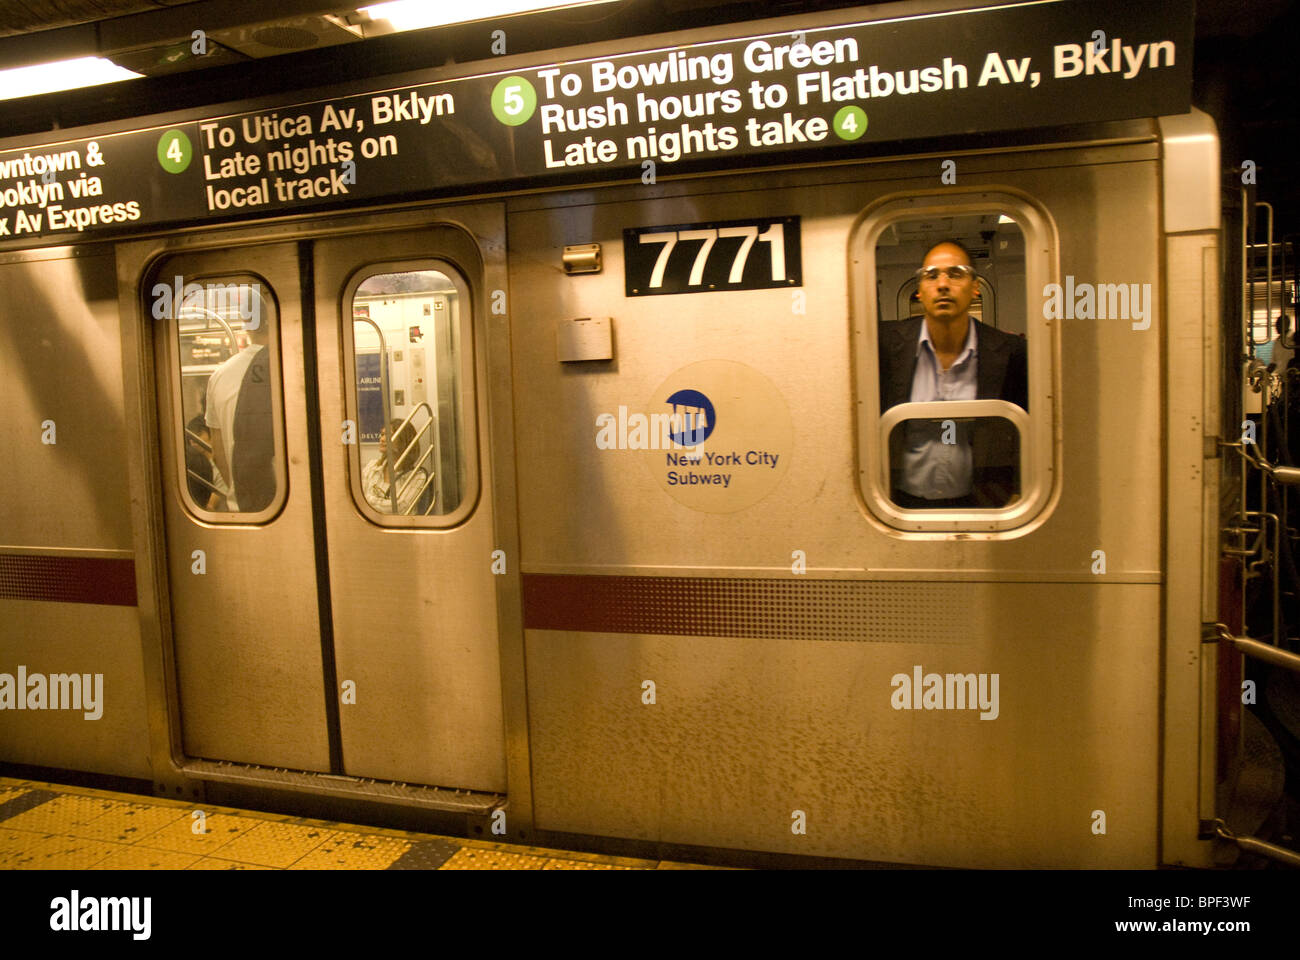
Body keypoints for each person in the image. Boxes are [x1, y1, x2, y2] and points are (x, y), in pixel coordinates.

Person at [878, 239, 1027, 508]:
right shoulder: (885, 347)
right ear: (920, 291)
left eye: (956, 274)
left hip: (981, 502)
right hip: (900, 506)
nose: (943, 284)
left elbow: (1029, 431)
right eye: (931, 276)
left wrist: (1020, 491)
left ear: (975, 288)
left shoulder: (1010, 353)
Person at [205, 318, 275, 512]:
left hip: (243, 507)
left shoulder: (219, 376)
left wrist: (238, 489)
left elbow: (218, 452)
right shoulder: (296, 363)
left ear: (246, 323)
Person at [362, 418, 431, 515]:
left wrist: (366, 500)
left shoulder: (417, 476)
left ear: (404, 440)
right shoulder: (372, 466)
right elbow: (358, 497)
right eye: (382, 435)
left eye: (389, 435)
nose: (382, 439)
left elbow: (400, 507)